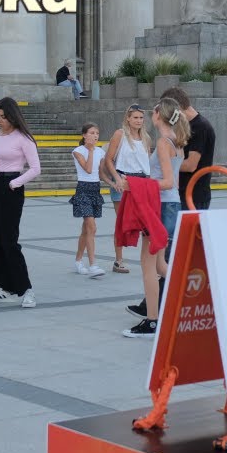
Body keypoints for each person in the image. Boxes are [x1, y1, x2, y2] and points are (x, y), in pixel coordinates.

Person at [123, 97, 189, 338]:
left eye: (154, 111)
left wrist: (136, 184)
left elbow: (168, 182)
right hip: (170, 206)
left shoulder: (164, 142)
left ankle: (152, 321)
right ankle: (191, 297)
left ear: (159, 116)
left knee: (148, 265)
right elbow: (174, 183)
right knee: (160, 265)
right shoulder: (177, 142)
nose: (151, 114)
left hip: (161, 207)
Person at [0, 97, 42, 308]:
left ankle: (26, 289)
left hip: (10, 186)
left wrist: (14, 183)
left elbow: (35, 168)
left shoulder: (23, 138)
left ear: (12, 116)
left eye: (3, 117)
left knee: (9, 240)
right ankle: (3, 286)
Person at [99, 104, 153, 274]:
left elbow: (148, 163)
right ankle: (118, 261)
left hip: (142, 181)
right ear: (128, 118)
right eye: (135, 117)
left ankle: (150, 261)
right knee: (122, 223)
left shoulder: (146, 137)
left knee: (146, 223)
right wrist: (116, 179)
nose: (138, 120)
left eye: (141, 117)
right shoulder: (120, 134)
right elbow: (109, 159)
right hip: (123, 179)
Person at [71, 123, 107, 277]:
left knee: (86, 229)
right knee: (92, 227)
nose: (95, 136)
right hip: (83, 189)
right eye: (92, 133)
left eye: (97, 133)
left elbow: (100, 173)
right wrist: (91, 151)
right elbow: (87, 169)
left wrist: (114, 182)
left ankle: (78, 261)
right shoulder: (77, 151)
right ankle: (93, 265)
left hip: (95, 189)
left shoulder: (100, 152)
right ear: (84, 135)